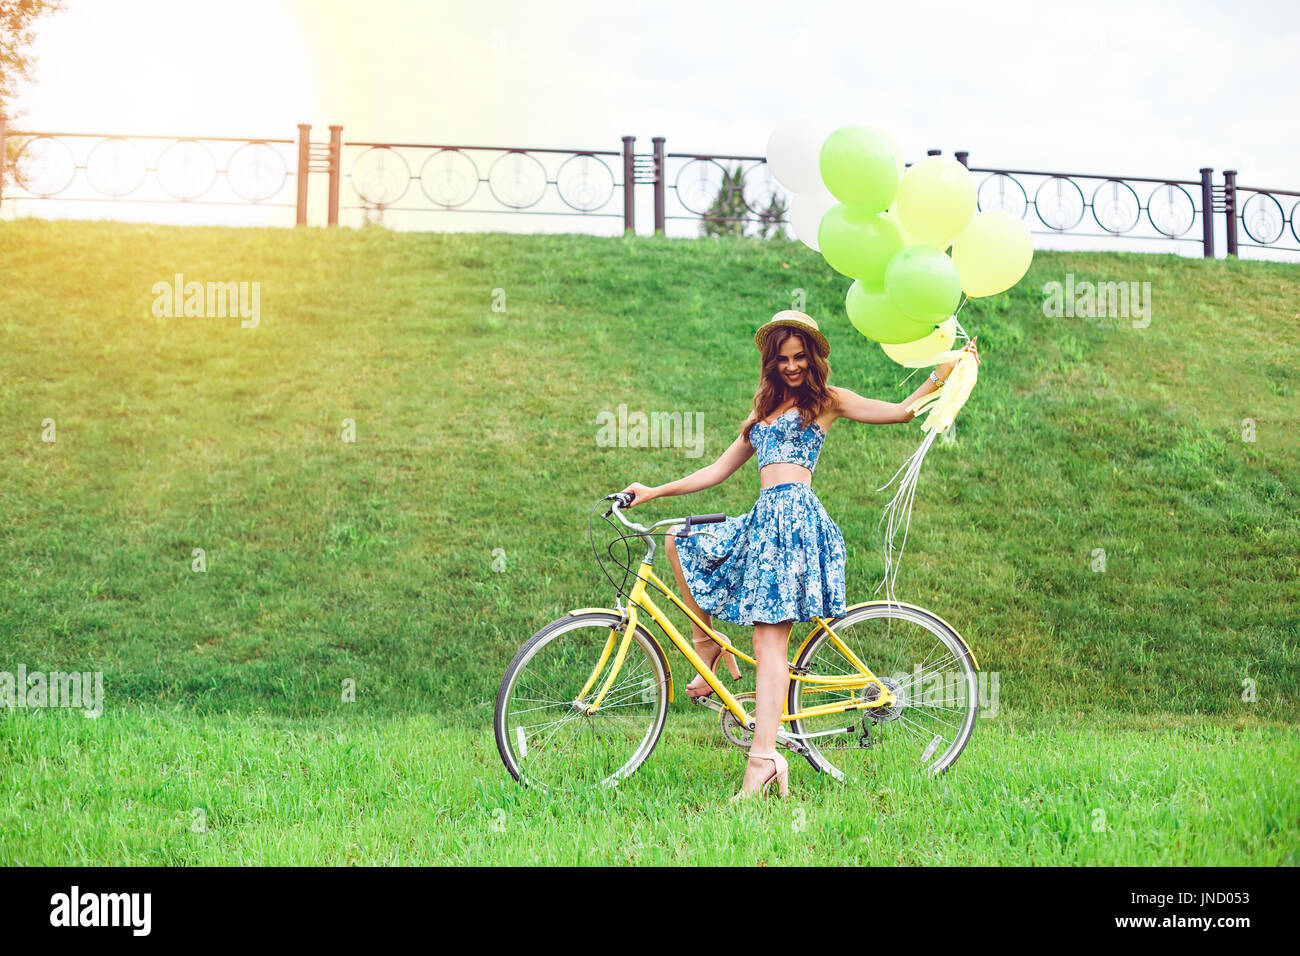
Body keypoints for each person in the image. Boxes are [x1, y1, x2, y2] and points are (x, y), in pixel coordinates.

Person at [620, 310, 967, 800]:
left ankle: (763, 759)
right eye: (782, 359)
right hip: (765, 521)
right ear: (770, 361)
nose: (791, 366)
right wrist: (652, 491)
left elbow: (901, 411)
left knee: (768, 644)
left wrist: (940, 376)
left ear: (813, 357)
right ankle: (708, 644)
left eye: (799, 357)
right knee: (679, 538)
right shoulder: (760, 415)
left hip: (797, 523)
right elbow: (716, 471)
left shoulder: (826, 401)